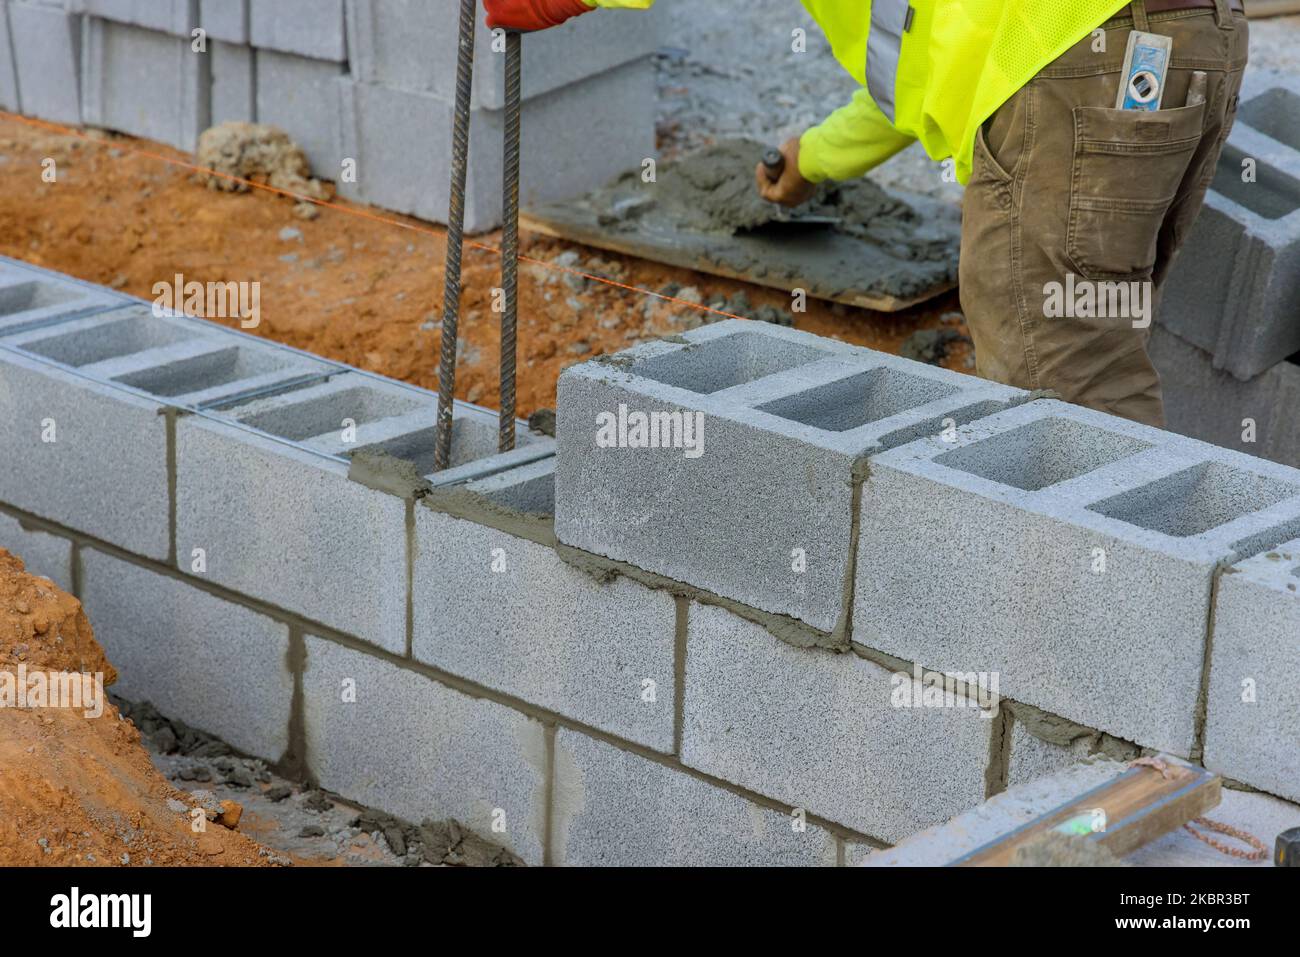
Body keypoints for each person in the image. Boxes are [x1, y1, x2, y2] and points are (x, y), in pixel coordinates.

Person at [483, 0, 1248, 427]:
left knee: (1060, 396)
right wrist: (809, 161)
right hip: (1182, 35)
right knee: (1095, 337)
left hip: (1075, 52)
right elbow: (921, 69)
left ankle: (1080, 675)